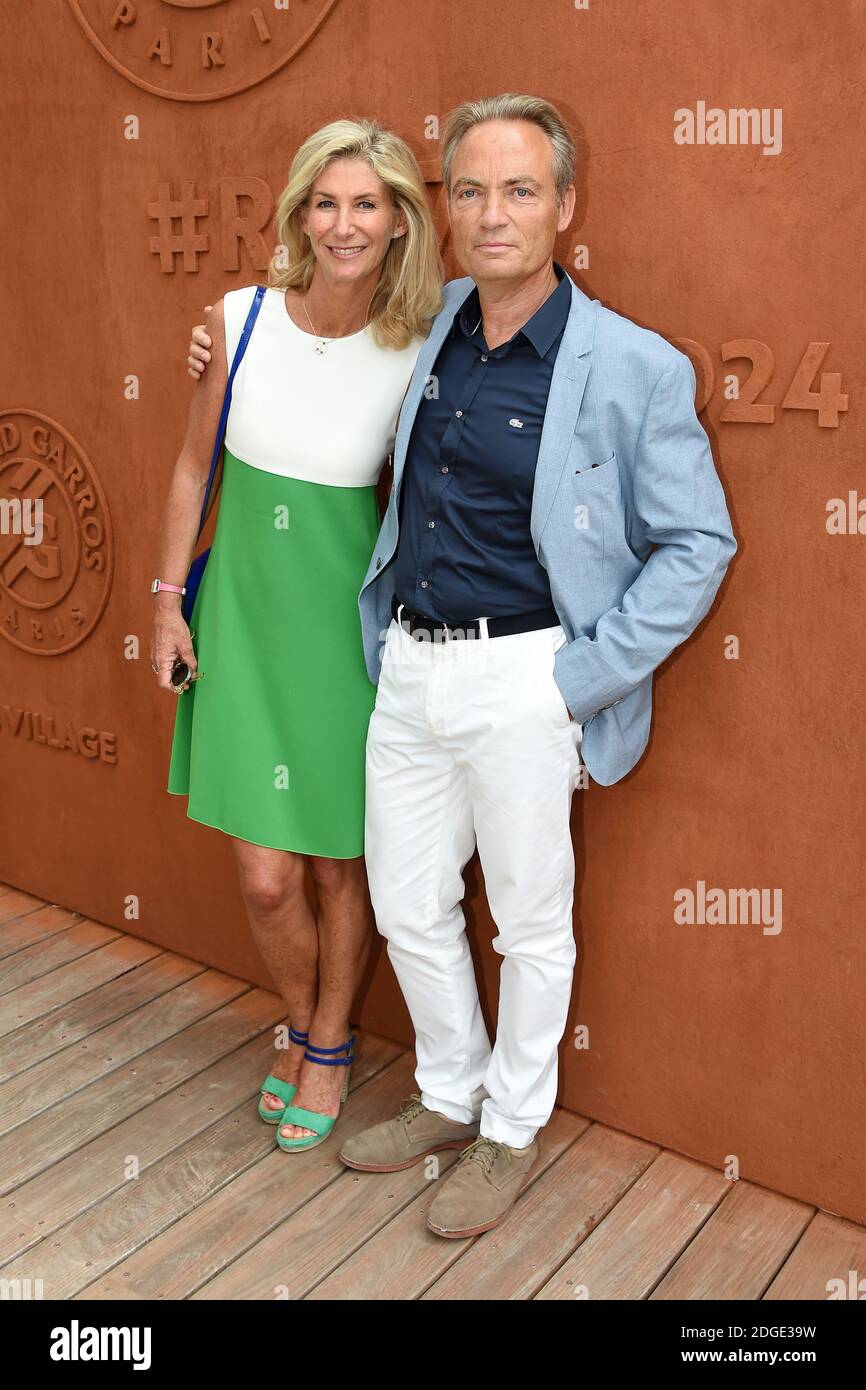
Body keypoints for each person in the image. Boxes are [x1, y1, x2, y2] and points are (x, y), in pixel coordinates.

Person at [185, 92, 736, 1238]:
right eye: (471, 191)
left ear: (563, 206)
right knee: (407, 899)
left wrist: (579, 679)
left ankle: (509, 1127)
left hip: (527, 676)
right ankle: (445, 1091)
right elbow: (316, 320)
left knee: (529, 921)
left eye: (519, 190)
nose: (492, 214)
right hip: (407, 668)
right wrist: (216, 337)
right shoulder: (425, 320)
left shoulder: (629, 364)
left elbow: (699, 543)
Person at [152, 118, 441, 1152]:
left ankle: (324, 1040)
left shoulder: (422, 343)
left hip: (345, 637)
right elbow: (194, 469)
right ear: (298, 214)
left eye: (367, 203)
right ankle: (298, 1014)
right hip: (240, 619)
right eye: (325, 202)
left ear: (400, 220)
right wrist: (164, 600)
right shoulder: (235, 320)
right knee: (266, 872)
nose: (343, 223)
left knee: (334, 867)